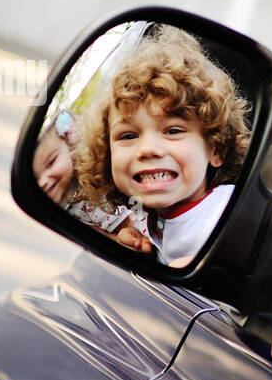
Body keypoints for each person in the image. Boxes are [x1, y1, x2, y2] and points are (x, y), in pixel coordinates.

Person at [73, 26, 251, 267]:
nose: (148, 149)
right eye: (127, 136)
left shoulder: (225, 214)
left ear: (216, 149)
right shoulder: (150, 222)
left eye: (173, 131)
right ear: (107, 156)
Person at [32, 109, 151, 253]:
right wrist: (127, 243)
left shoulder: (93, 166)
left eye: (51, 162)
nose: (42, 182)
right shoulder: (64, 214)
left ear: (69, 145)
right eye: (34, 177)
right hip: (146, 242)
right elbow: (102, 239)